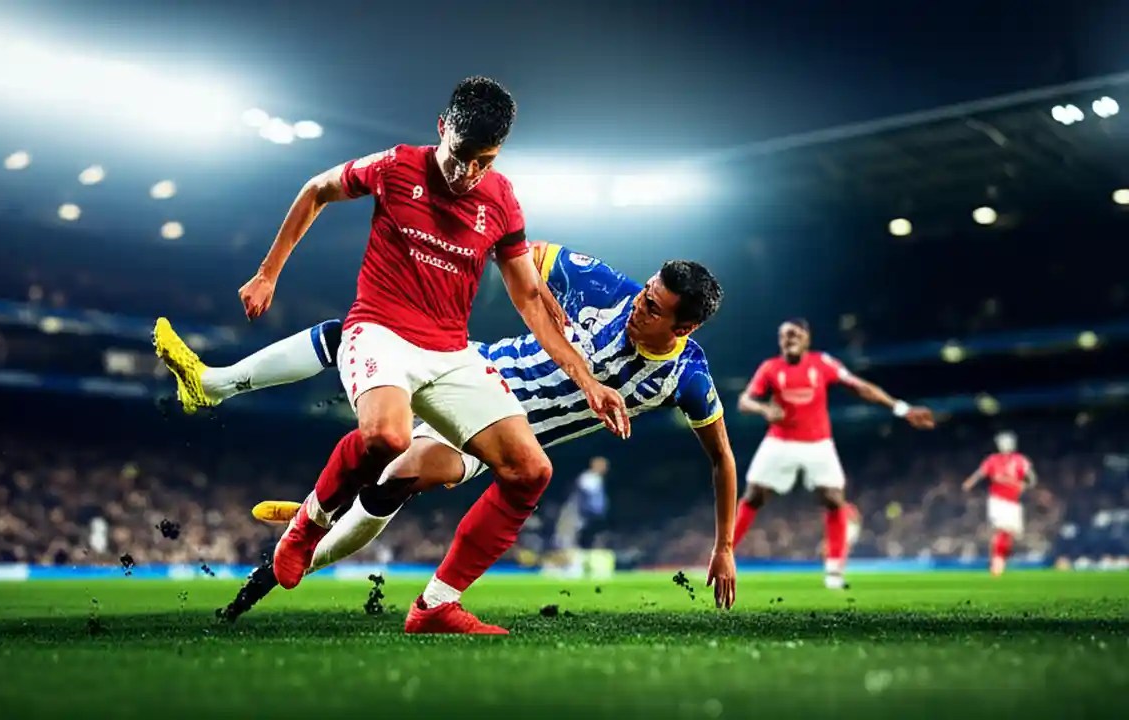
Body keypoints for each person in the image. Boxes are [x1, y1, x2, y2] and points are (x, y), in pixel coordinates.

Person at [156, 77, 628, 634]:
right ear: (440, 129)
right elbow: (317, 190)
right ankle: (307, 526)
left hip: (452, 351)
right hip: (380, 331)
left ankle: (435, 606)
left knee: (530, 471)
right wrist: (268, 271)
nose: (468, 172)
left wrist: (588, 382)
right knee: (388, 439)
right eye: (460, 156)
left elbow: (529, 297)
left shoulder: (500, 199)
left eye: (484, 161)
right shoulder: (396, 166)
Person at [167, 242, 738, 623]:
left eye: (654, 308)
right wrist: (539, 297)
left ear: (683, 326)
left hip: (498, 439)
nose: (639, 305)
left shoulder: (686, 379)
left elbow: (722, 460)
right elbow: (518, 255)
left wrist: (725, 546)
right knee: (357, 333)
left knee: (401, 476)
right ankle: (215, 382)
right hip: (467, 371)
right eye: (645, 292)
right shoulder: (603, 286)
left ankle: (284, 563)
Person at [734, 319, 935, 589]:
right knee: (753, 496)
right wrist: (763, 410)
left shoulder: (822, 363)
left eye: (795, 333)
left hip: (818, 443)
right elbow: (745, 400)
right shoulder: (770, 368)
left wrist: (902, 408)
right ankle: (722, 554)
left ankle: (834, 572)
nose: (789, 338)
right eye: (784, 335)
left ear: (807, 338)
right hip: (779, 441)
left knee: (833, 499)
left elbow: (860, 387)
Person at [962, 430, 1036, 576]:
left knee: (1009, 534)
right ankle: (996, 562)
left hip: (1013, 503)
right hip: (997, 500)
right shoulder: (993, 460)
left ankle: (1000, 560)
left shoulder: (1020, 460)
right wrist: (969, 482)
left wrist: (1025, 485)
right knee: (1000, 531)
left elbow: (1032, 478)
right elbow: (981, 473)